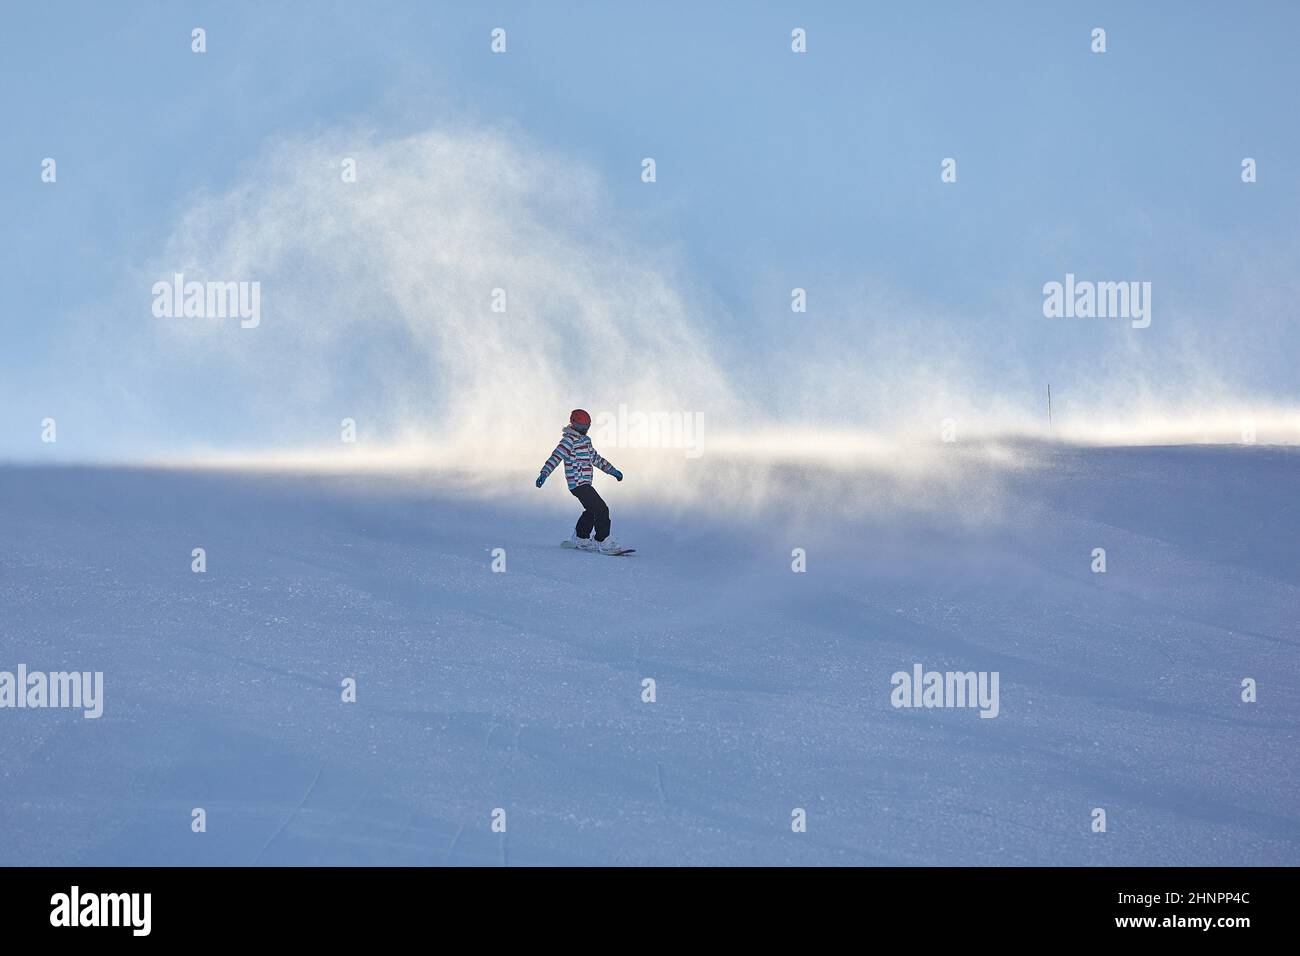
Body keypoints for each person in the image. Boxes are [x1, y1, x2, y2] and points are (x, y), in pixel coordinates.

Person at [536, 409, 625, 552]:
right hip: (577, 483)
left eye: (587, 428)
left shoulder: (586, 441)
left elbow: (596, 459)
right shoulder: (568, 441)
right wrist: (544, 473)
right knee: (602, 509)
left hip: (585, 483)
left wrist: (612, 471)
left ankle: (581, 538)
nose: (584, 431)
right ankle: (603, 541)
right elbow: (556, 457)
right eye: (581, 428)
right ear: (573, 424)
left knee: (591, 510)